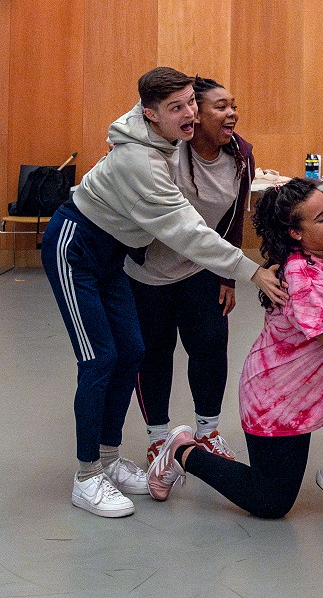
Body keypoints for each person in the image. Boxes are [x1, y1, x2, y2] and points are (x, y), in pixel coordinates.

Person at [41, 67, 287, 519]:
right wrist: (251, 271)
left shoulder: (164, 135)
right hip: (75, 246)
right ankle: (86, 474)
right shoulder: (141, 162)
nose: (190, 114)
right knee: (99, 359)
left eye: (192, 102)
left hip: (111, 253)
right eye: (178, 108)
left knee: (131, 350)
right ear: (150, 114)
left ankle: (111, 461)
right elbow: (188, 231)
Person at [146, 178, 323, 520]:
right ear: (296, 233)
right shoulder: (300, 275)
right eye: (319, 219)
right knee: (271, 501)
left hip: (319, 381)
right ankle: (182, 452)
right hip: (278, 398)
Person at [127, 76, 253, 466]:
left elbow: (233, 221)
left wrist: (227, 276)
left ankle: (208, 432)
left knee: (210, 347)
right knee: (154, 354)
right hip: (147, 275)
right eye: (220, 106)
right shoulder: (162, 153)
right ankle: (158, 439)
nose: (231, 113)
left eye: (233, 105)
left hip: (200, 269)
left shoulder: (241, 157)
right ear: (195, 116)